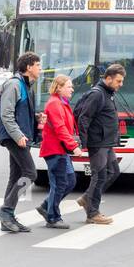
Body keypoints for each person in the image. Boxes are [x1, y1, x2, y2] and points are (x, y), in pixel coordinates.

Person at [0, 51, 42, 233]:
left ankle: (7, 218)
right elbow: (6, 115)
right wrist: (18, 135)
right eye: (38, 65)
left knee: (15, 176)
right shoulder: (14, 85)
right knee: (30, 173)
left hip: (21, 136)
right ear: (29, 67)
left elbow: (19, 112)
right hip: (15, 137)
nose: (40, 69)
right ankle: (6, 211)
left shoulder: (26, 85)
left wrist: (37, 118)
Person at [74, 63, 126, 225]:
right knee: (100, 176)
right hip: (98, 143)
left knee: (113, 172)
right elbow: (84, 117)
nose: (121, 84)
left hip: (107, 142)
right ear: (108, 78)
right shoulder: (97, 94)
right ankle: (93, 213)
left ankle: (87, 198)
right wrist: (83, 142)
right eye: (118, 81)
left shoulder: (107, 92)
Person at [38, 74, 79, 229]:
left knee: (70, 181)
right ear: (59, 87)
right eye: (69, 86)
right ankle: (53, 217)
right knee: (60, 183)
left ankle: (47, 206)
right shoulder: (55, 103)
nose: (72, 89)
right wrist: (73, 146)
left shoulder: (62, 102)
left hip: (62, 150)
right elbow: (60, 128)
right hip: (55, 150)